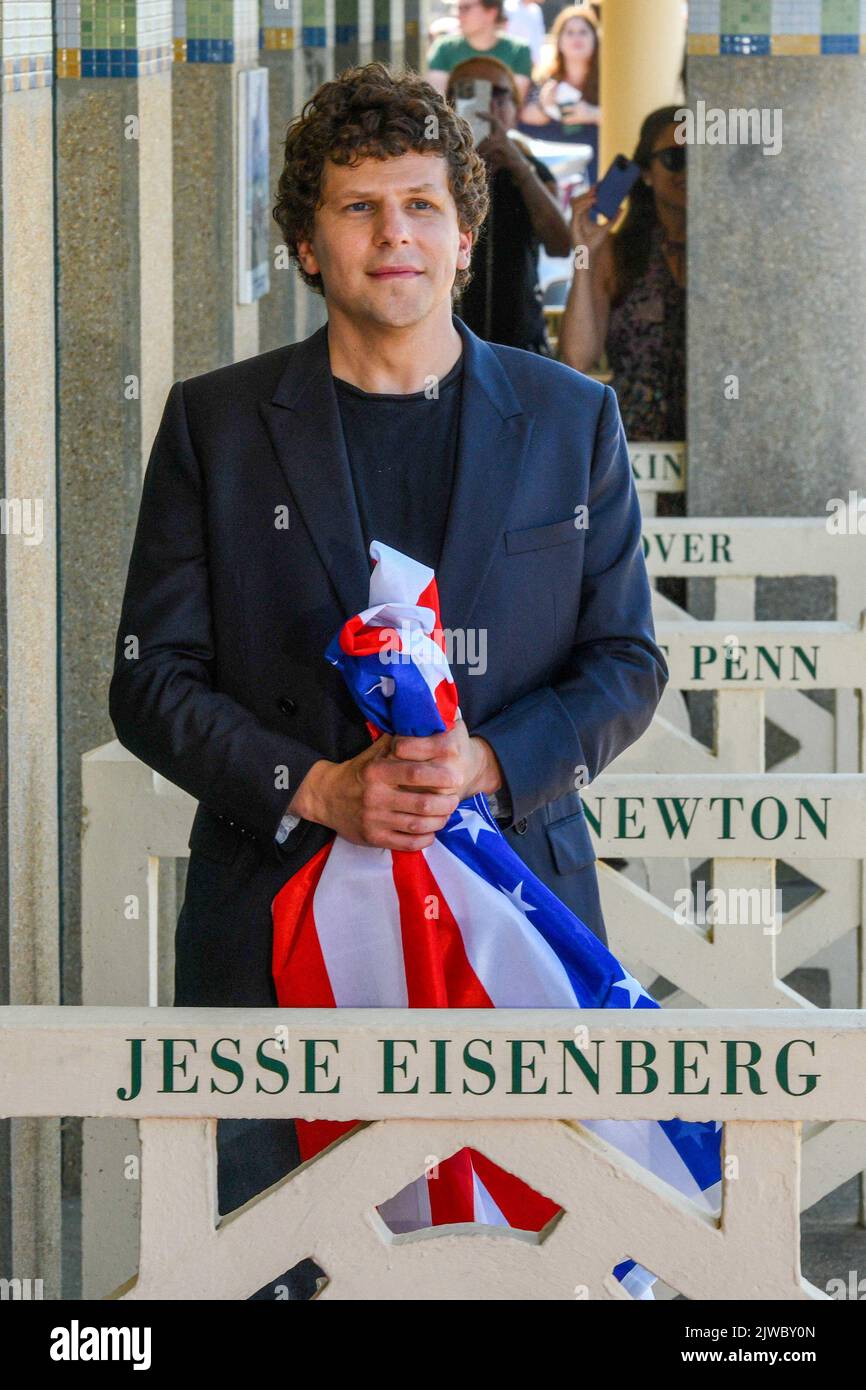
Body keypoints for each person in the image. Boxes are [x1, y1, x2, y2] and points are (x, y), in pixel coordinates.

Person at [109, 62, 667, 1299]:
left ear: (465, 237)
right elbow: (150, 680)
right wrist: (314, 788)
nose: (393, 233)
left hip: (511, 912)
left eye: (421, 204)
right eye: (359, 208)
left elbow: (625, 661)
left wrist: (484, 763)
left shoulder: (569, 418)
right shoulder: (217, 424)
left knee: (529, 1258)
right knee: (266, 1258)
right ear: (308, 245)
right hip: (270, 922)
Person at [558, 104, 686, 445]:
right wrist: (584, 249)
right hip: (634, 441)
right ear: (645, 172)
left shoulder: (729, 253)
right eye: (675, 158)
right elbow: (577, 358)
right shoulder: (620, 252)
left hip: (713, 433)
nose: (689, 170)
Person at [447, 56, 571, 351]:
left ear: (515, 110)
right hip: (448, 344)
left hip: (518, 341)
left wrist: (520, 168)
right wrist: (463, 168)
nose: (487, 106)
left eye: (499, 96)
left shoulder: (532, 172)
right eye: (471, 93)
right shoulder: (433, 171)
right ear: (449, 105)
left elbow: (561, 244)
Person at [518, 3, 601, 185]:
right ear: (559, 41)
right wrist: (545, 106)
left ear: (595, 38)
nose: (576, 38)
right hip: (555, 174)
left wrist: (592, 114)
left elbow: (624, 118)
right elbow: (524, 117)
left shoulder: (608, 81)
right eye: (569, 32)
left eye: (583, 32)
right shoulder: (546, 79)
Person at [426, 0, 533, 104]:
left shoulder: (518, 51)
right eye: (457, 8)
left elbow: (512, 104)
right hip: (453, 122)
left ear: (491, 12)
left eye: (465, 8)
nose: (457, 14)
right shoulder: (444, 48)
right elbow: (437, 101)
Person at [504, 0, 546, 66]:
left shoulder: (536, 10)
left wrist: (537, 60)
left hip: (530, 62)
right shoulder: (509, 6)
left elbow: (538, 38)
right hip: (511, 59)